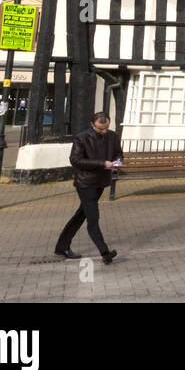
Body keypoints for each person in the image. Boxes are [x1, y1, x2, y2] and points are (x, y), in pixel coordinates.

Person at [55, 112, 123, 263]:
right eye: (100, 129)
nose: (104, 131)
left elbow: (118, 153)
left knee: (81, 215)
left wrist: (117, 162)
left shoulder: (113, 136)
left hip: (100, 182)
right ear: (92, 124)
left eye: (106, 127)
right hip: (85, 183)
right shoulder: (82, 138)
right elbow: (75, 160)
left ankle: (62, 247)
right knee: (93, 219)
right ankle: (105, 253)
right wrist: (102, 164)